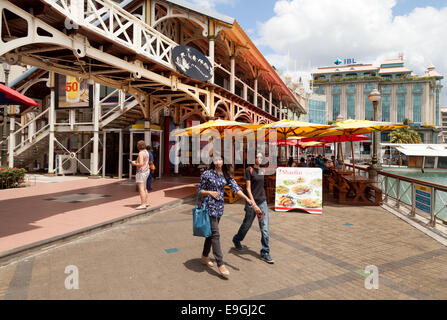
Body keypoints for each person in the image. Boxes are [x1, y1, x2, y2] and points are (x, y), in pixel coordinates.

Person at [198, 155, 254, 278]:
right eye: (216, 160)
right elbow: (200, 190)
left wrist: (247, 199)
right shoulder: (207, 174)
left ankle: (204, 256)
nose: (218, 162)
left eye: (220, 160)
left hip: (219, 208)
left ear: (223, 161)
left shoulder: (226, 174)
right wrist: (209, 192)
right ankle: (220, 263)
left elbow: (236, 188)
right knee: (216, 234)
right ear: (213, 162)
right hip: (209, 206)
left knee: (211, 234)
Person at [233, 153, 274, 264]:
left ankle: (265, 252)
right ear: (254, 158)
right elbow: (248, 188)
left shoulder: (262, 170)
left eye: (262, 157)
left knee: (264, 228)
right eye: (258, 157)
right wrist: (254, 204)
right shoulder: (249, 170)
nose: (260, 159)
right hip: (251, 202)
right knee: (247, 224)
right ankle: (237, 239)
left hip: (263, 201)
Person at [131, 140, 150, 210]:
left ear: (138, 146)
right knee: (145, 188)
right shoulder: (146, 152)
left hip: (141, 172)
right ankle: (146, 202)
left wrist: (133, 163)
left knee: (141, 189)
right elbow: (144, 162)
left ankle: (143, 204)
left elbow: (141, 164)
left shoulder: (141, 153)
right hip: (146, 170)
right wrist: (136, 161)